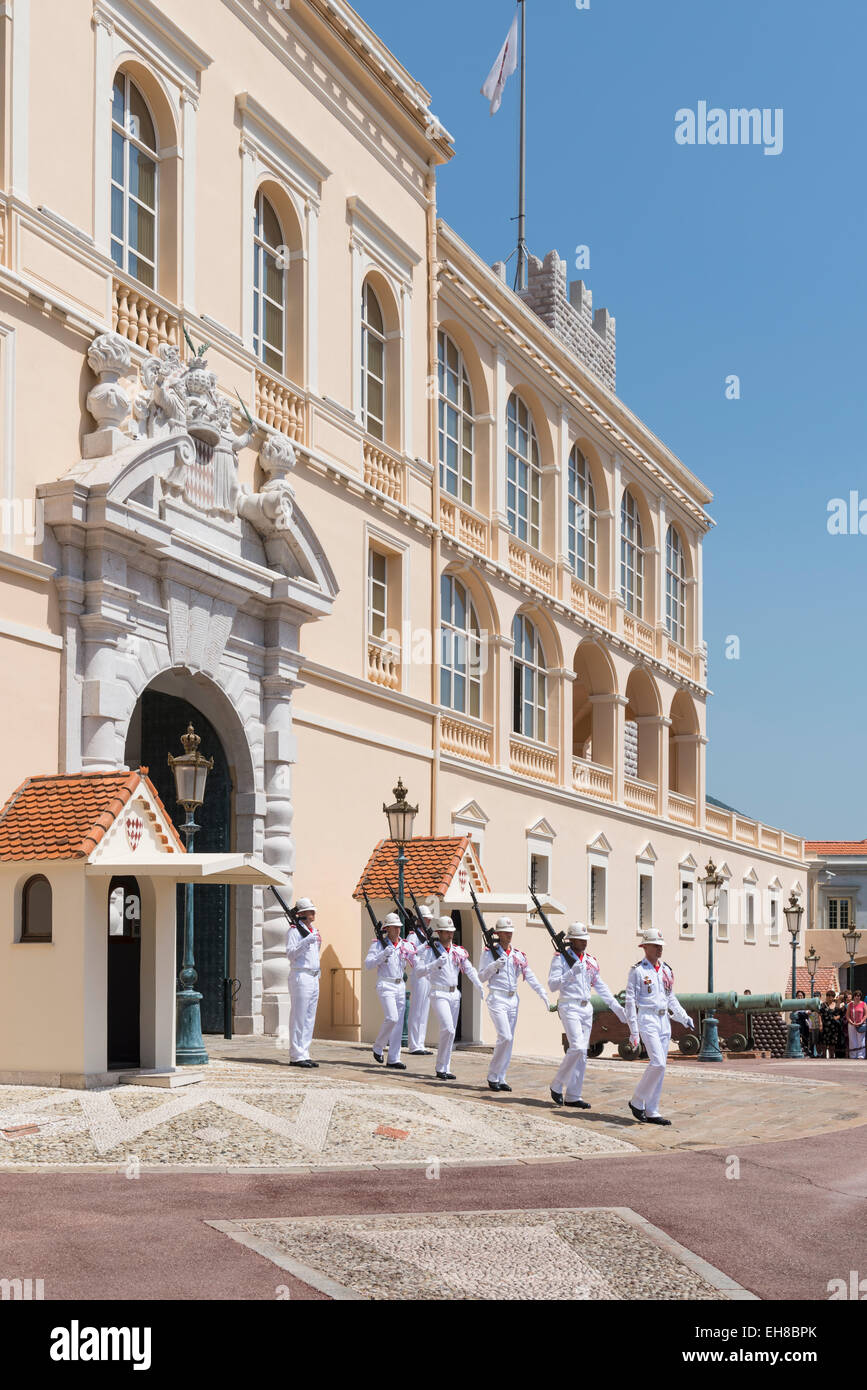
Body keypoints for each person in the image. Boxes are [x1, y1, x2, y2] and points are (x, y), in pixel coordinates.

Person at [549, 924, 626, 1109]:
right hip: (569, 1005)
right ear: (571, 940)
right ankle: (557, 1084)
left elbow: (600, 986)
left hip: (586, 1008)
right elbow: (552, 985)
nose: (584, 943)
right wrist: (570, 973)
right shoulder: (560, 958)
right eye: (580, 939)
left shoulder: (590, 961)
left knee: (583, 1052)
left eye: (585, 939)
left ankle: (574, 1095)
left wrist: (616, 1007)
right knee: (575, 1046)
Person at [625, 929, 694, 1125]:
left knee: (661, 1068)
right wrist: (633, 1030)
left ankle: (653, 1109)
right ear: (644, 947)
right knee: (658, 1062)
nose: (659, 949)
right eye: (655, 945)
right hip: (647, 1019)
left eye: (660, 946)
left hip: (664, 1020)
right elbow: (630, 1002)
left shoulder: (666, 970)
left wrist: (683, 1017)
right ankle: (637, 1100)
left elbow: (670, 997)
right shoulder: (638, 971)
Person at [478, 917, 550, 1092]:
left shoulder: (517, 955)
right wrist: (494, 966)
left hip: (513, 999)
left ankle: (501, 1077)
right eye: (505, 932)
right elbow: (481, 977)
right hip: (497, 998)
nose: (509, 935)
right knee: (505, 1036)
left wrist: (542, 993)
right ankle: (492, 1075)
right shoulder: (489, 953)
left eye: (511, 932)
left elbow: (529, 975)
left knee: (509, 1040)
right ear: (498, 934)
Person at [413, 916, 484, 1079]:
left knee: (450, 1033)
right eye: (446, 932)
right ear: (439, 932)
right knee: (449, 1028)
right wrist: (434, 964)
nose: (450, 935)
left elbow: (469, 969)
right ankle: (441, 1066)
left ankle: (444, 1067)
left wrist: (478, 984)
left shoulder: (458, 951)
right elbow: (418, 972)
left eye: (451, 931)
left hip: (454, 994)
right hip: (439, 993)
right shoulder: (430, 950)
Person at [364, 912, 416, 1069]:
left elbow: (415, 959)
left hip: (400, 985)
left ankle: (394, 1058)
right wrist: (382, 954)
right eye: (394, 928)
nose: (398, 930)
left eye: (399, 927)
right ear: (387, 929)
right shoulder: (378, 944)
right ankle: (378, 1046)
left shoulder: (405, 945)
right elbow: (368, 964)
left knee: (399, 1023)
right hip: (385, 984)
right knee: (392, 1017)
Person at [285, 897, 321, 1068]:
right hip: (301, 976)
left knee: (309, 1018)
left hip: (313, 977)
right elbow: (291, 954)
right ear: (302, 914)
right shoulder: (294, 931)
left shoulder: (313, 931)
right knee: (298, 1016)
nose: (313, 913)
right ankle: (295, 1054)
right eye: (310, 911)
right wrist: (305, 941)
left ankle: (304, 1052)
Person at [406, 903, 435, 1056]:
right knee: (417, 1010)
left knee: (424, 1011)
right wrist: (424, 946)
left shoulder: (426, 935)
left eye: (429, 919)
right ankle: (413, 1044)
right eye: (426, 919)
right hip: (418, 974)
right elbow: (410, 954)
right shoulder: (413, 935)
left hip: (429, 972)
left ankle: (421, 1043)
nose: (428, 921)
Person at [847, 990, 866, 1060]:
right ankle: (853, 1055)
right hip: (851, 1024)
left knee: (861, 1040)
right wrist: (851, 1022)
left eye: (859, 996)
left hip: (861, 1024)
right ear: (853, 996)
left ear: (860, 997)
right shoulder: (850, 1005)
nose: (857, 997)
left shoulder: (863, 1004)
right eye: (856, 996)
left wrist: (861, 1022)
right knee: (852, 1039)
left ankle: (861, 1055)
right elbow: (847, 1015)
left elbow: (865, 1015)